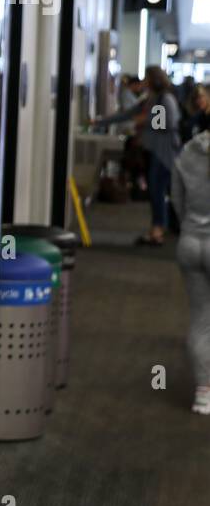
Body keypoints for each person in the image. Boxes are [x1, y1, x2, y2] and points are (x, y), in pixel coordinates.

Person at [92, 66, 181, 246]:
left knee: (158, 190)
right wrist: (100, 121)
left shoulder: (166, 99)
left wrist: (144, 120)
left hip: (164, 153)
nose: (143, 82)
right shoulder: (151, 99)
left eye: (147, 78)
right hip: (153, 150)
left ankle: (158, 230)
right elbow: (127, 114)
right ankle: (157, 227)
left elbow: (167, 124)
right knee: (155, 191)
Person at [172, 126, 210, 413]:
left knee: (200, 321)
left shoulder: (186, 152)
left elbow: (177, 201)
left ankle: (203, 393)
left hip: (190, 242)